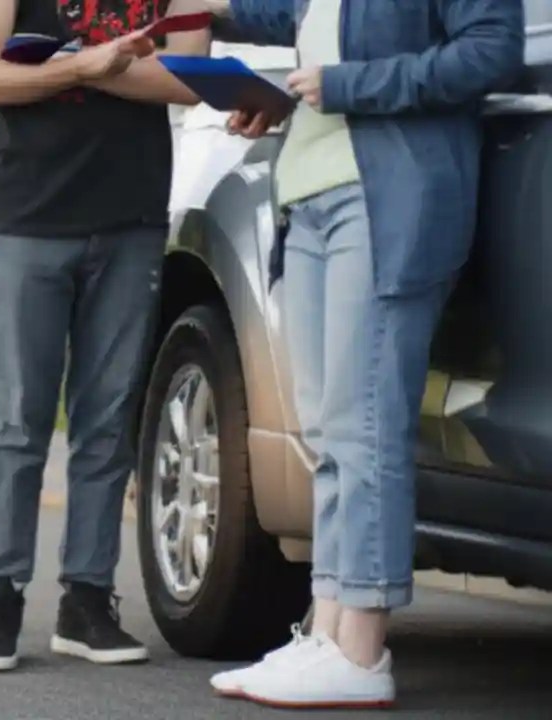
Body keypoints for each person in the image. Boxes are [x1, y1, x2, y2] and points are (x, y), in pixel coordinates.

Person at [192, 0, 526, 709]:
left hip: (386, 198)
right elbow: (288, 15)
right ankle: (327, 631)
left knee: (364, 424)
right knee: (326, 429)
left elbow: (490, 50)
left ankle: (362, 649)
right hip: (309, 199)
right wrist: (209, 15)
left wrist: (350, 86)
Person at [0, 0, 213, 672]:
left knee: (107, 421)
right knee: (17, 421)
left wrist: (69, 69)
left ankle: (87, 601)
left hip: (129, 218)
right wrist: (102, 62)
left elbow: (189, 77)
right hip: (24, 217)